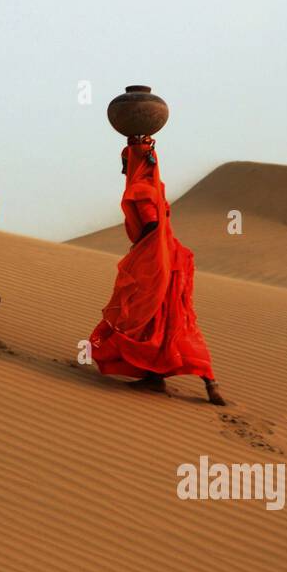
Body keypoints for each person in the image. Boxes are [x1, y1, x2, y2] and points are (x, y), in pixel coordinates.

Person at [89, 135, 226, 405]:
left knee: (145, 315)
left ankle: (173, 377)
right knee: (171, 318)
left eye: (126, 161)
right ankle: (188, 379)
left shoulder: (141, 189)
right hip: (170, 258)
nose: (123, 168)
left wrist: (141, 252)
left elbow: (152, 225)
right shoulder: (156, 186)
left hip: (157, 261)